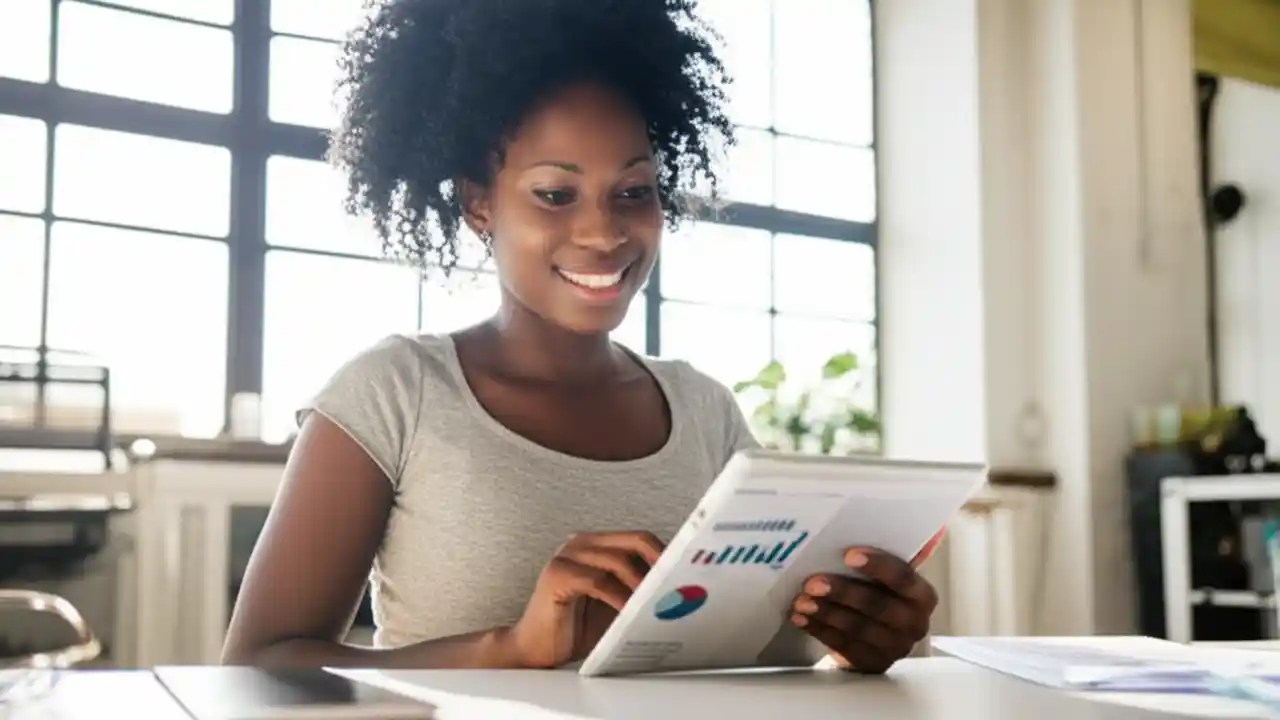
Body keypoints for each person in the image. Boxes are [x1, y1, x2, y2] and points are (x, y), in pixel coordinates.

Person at [220, 0, 939, 673]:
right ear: (478, 204)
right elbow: (257, 668)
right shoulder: (395, 394)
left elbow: (755, 661)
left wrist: (854, 646)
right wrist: (509, 646)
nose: (603, 231)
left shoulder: (706, 413)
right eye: (555, 194)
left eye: (634, 192)